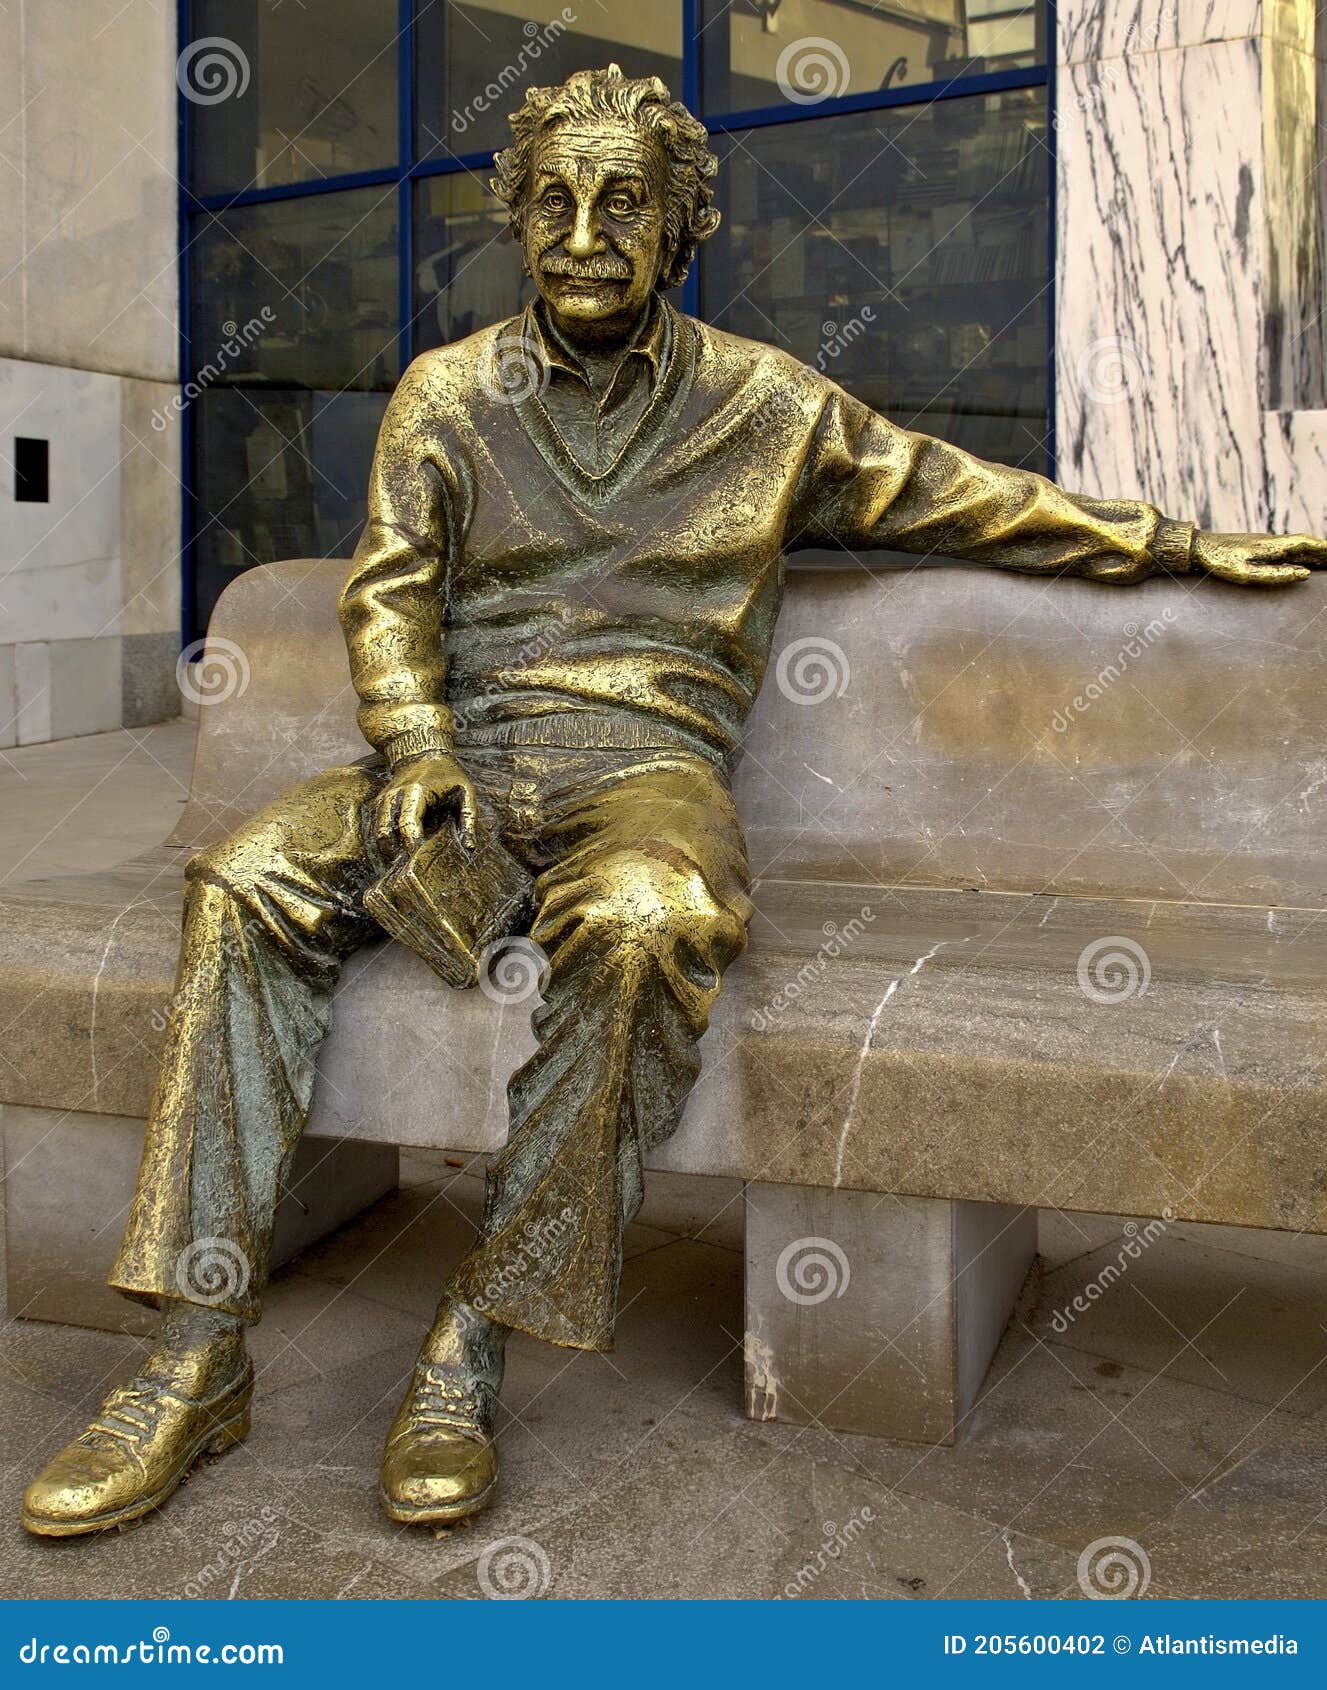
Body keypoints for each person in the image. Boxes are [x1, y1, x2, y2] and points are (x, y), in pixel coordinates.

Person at [22, 64, 1325, 1538]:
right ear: (516, 220)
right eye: (555, 203)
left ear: (680, 228)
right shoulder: (447, 396)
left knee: (653, 917)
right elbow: (389, 602)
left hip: (647, 771)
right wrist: (418, 746)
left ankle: (474, 1338)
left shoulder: (769, 407)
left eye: (624, 202)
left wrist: (1182, 543)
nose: (585, 233)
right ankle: (192, 1358)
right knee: (244, 875)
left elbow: (975, 496)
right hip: (460, 755)